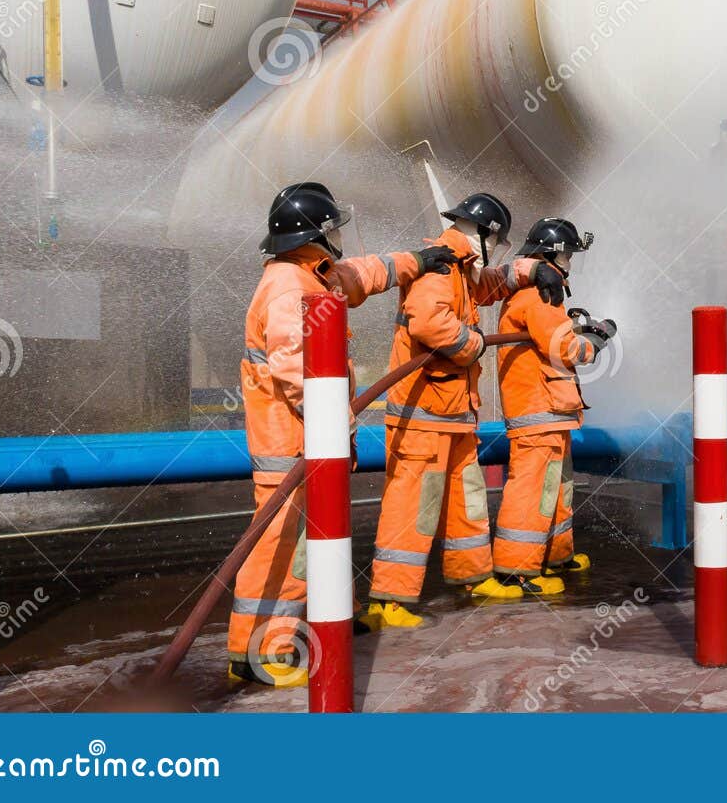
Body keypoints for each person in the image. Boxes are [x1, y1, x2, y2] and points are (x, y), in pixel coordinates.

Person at [231, 181, 458, 688]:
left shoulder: (312, 275)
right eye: (333, 229)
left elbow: (364, 274)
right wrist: (337, 425)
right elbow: (296, 370)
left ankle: (336, 614)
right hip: (290, 445)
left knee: (321, 535)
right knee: (283, 545)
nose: (339, 239)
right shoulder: (291, 289)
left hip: (310, 441)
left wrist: (419, 260)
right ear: (315, 235)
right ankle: (258, 652)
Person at [364, 193, 565, 626]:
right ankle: (388, 602)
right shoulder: (439, 269)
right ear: (485, 237)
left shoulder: (461, 269)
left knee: (467, 500)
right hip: (422, 417)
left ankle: (473, 577)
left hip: (452, 416)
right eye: (500, 242)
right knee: (414, 506)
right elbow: (428, 323)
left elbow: (494, 283)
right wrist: (473, 346)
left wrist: (534, 269)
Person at [479, 217, 616, 598]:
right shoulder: (538, 296)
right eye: (570, 254)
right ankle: (514, 570)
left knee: (555, 489)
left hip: (550, 412)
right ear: (554, 256)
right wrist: (597, 342)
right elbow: (565, 349)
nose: (572, 262)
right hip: (538, 412)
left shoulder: (540, 295)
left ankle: (556, 555)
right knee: (532, 490)